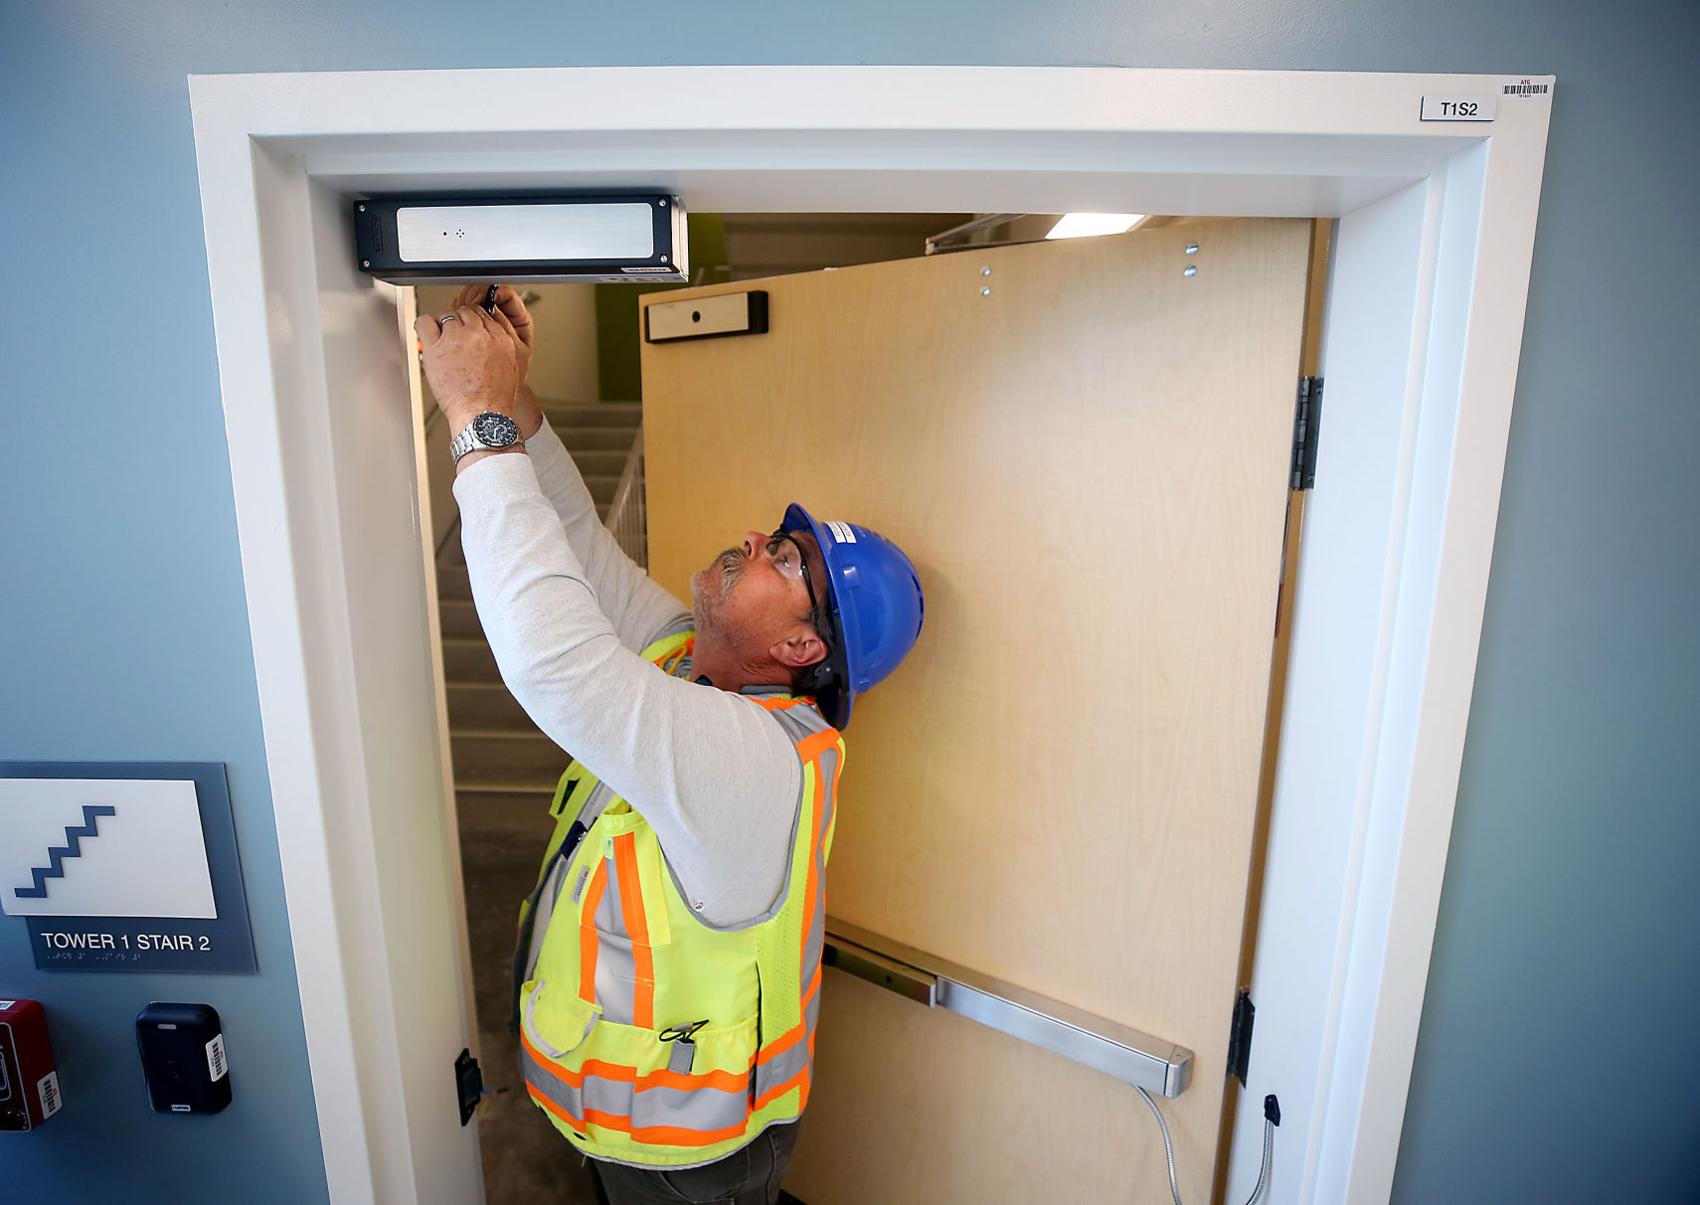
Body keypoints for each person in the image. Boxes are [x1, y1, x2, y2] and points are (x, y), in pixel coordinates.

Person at [415, 286, 925, 1205]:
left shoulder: (752, 761)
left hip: (693, 1165)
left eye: (784, 560)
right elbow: (580, 545)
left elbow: (555, 664)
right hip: (632, 1128)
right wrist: (518, 399)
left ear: (803, 648)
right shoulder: (690, 658)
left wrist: (476, 421)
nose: (754, 540)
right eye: (777, 534)